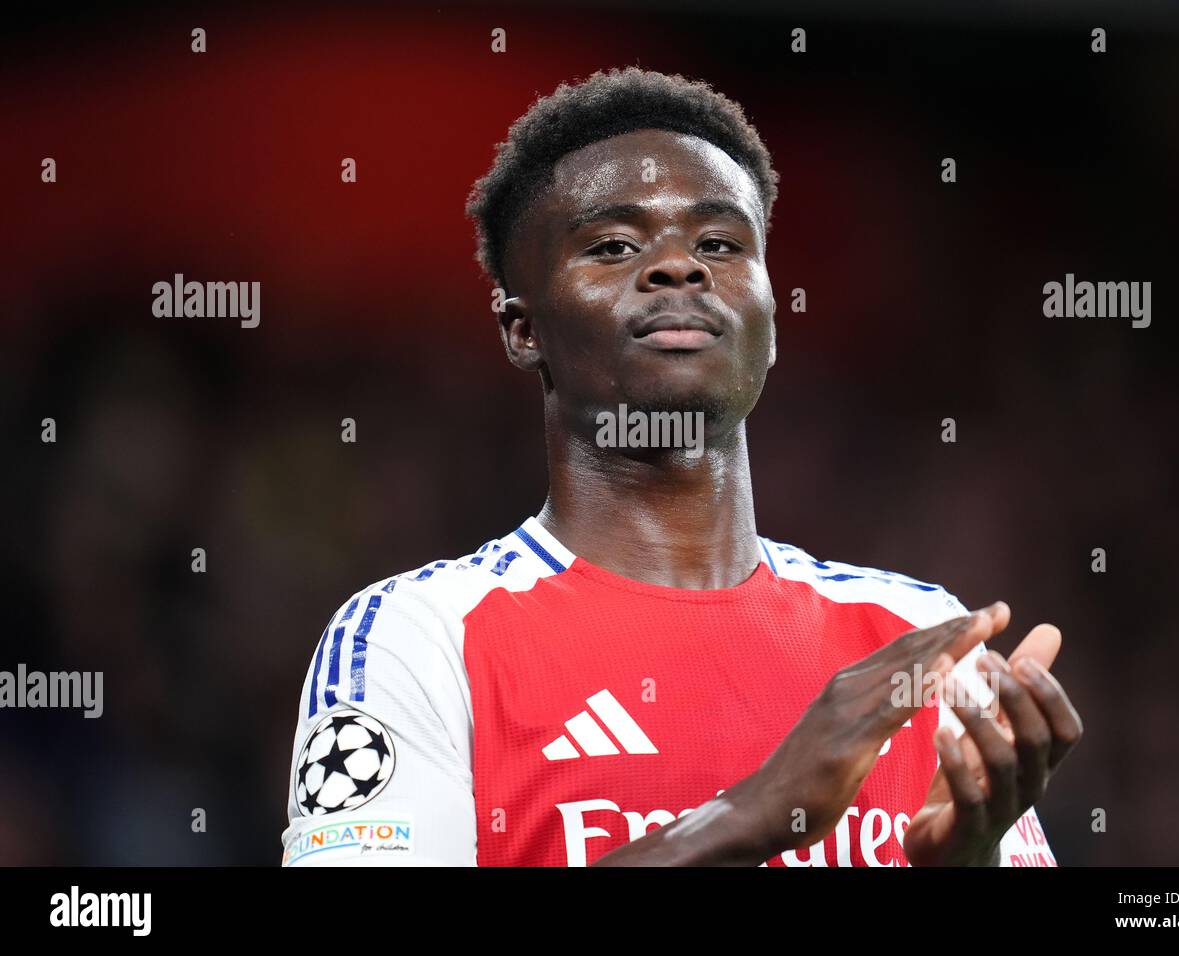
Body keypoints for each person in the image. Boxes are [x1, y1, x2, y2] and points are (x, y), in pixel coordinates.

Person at [281, 67, 1081, 867]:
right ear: (524, 331)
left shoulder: (912, 640)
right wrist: (749, 817)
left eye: (721, 244)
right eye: (615, 246)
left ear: (771, 315)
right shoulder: (418, 639)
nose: (679, 269)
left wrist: (965, 862)